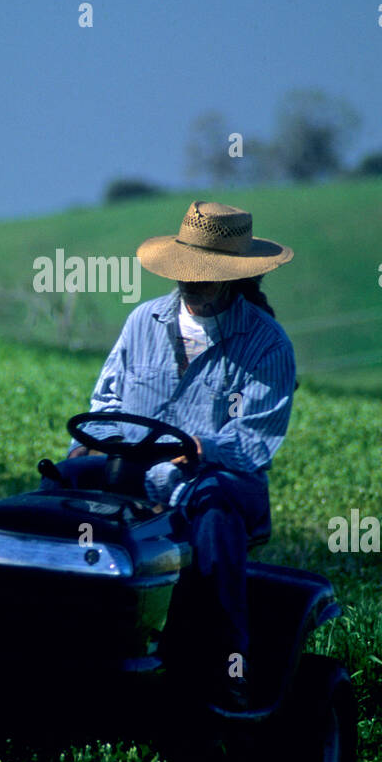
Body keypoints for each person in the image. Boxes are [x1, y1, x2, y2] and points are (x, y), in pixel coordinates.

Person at [63, 200, 296, 717]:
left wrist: (201, 448)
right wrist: (92, 440)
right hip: (135, 466)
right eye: (187, 271)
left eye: (206, 274)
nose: (193, 282)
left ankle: (228, 663)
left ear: (234, 276)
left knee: (212, 513)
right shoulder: (142, 322)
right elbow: (107, 402)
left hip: (223, 478)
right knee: (62, 483)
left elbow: (255, 443)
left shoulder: (266, 344)